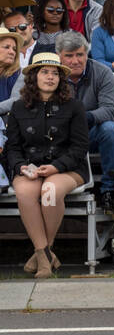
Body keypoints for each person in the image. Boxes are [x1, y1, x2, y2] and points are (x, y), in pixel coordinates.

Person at [3, 54, 87, 279]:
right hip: (29, 168)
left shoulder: (75, 107)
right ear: (33, 77)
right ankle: (46, 254)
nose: (50, 77)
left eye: (55, 73)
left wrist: (57, 167)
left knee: (49, 191)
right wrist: (20, 166)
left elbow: (80, 148)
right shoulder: (18, 108)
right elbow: (13, 148)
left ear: (60, 78)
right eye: (44, 72)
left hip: (67, 168)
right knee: (24, 192)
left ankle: (42, 256)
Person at [51, 32, 114, 192]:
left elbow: (110, 109)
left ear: (86, 53)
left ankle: (111, 190)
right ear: (59, 56)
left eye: (80, 55)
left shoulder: (102, 72)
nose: (75, 61)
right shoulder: (50, 74)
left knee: (110, 129)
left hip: (90, 132)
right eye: (69, 56)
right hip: (59, 134)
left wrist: (83, 117)